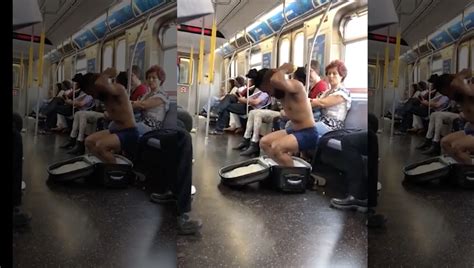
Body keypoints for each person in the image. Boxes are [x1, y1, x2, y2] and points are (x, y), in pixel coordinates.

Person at [258, 63, 318, 166]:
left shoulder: (295, 85)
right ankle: (284, 166)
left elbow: (276, 80)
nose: (269, 94)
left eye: (268, 90)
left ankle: (293, 177)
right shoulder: (280, 94)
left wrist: (283, 68)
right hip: (294, 130)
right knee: (264, 142)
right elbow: (274, 81)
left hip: (309, 132)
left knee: (277, 147)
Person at [84, 68, 139, 164]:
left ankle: (116, 172)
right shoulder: (106, 98)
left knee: (101, 146)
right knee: (89, 141)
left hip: (129, 132)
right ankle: (106, 164)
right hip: (115, 130)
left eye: (93, 92)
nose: (92, 96)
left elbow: (100, 83)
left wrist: (105, 73)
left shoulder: (118, 89)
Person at [310, 60, 352, 138]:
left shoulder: (343, 93)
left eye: (334, 73)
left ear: (341, 75)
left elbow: (322, 103)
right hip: (321, 121)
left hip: (333, 126)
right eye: (329, 73)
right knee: (294, 125)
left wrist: (310, 102)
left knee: (305, 129)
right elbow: (315, 102)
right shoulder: (326, 92)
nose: (330, 76)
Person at [132, 65, 170, 136]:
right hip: (141, 121)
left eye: (154, 78)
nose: (150, 80)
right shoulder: (147, 94)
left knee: (127, 128)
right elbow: (137, 103)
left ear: (160, 80)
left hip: (152, 126)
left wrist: (129, 103)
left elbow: (143, 105)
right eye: (149, 78)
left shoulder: (161, 96)